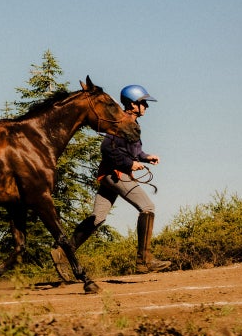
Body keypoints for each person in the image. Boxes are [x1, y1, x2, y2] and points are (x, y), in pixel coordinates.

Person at [53, 84, 171, 277]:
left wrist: (145, 156)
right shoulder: (120, 122)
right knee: (147, 208)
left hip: (109, 175)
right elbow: (107, 149)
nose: (146, 107)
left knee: (97, 218)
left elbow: (133, 151)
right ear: (132, 104)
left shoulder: (131, 123)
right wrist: (129, 164)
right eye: (143, 103)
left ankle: (61, 253)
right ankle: (144, 261)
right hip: (115, 174)